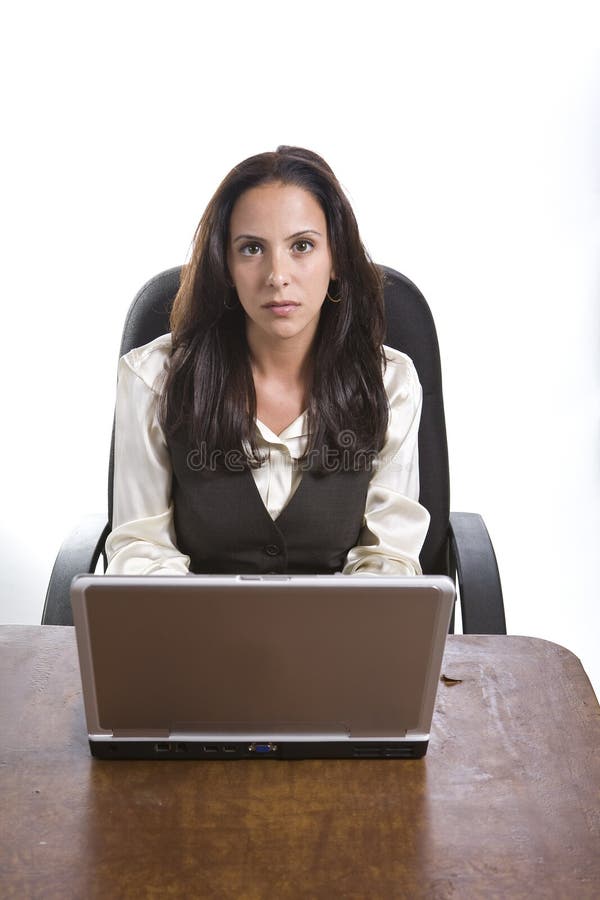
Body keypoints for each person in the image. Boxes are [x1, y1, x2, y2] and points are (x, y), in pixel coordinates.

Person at [105, 146, 430, 576]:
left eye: (302, 246)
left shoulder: (391, 384)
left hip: (340, 636)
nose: (277, 275)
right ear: (225, 265)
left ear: (336, 260)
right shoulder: (153, 379)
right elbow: (140, 553)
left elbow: (389, 562)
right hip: (193, 635)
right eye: (252, 248)